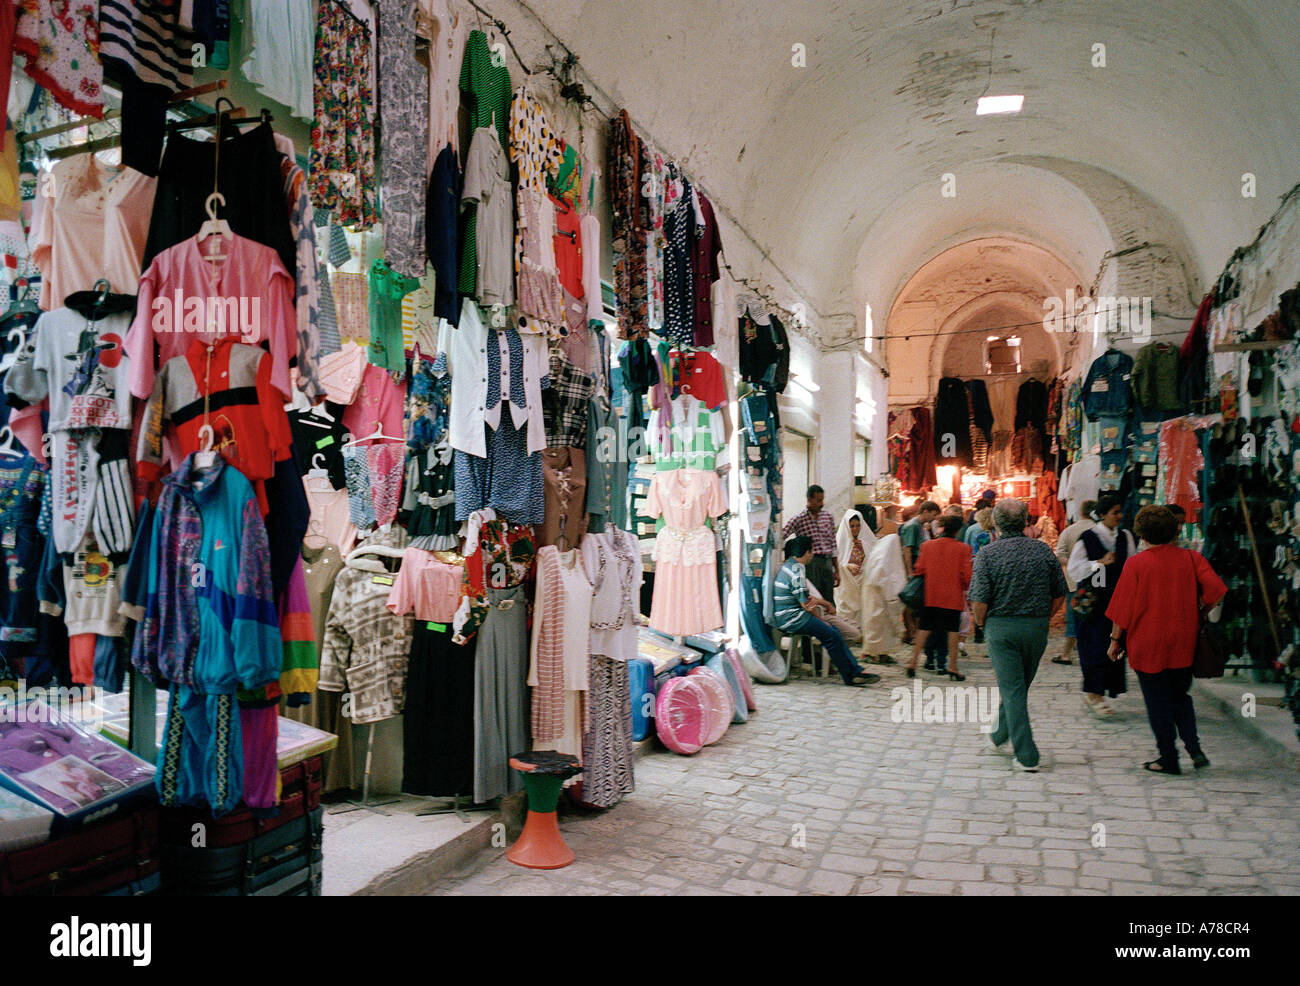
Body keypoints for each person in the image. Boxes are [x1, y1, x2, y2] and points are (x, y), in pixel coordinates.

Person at [1106, 505, 1227, 774]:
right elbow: (1216, 591)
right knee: (1180, 696)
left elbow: (1123, 608)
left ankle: (1168, 757)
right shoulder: (1192, 559)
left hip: (1147, 642)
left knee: (1157, 702)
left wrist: (1115, 641)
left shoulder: (1136, 564)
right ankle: (1194, 748)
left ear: (1143, 534)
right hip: (1184, 640)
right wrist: (1201, 612)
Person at [968, 498, 1070, 772]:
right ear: (1026, 521)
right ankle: (999, 734)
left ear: (997, 524)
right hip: (1035, 627)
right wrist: (1044, 617)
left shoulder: (988, 554)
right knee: (1018, 687)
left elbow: (979, 600)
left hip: (1001, 628)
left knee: (1013, 689)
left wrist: (981, 624)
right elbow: (1060, 591)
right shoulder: (1042, 551)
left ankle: (1027, 755)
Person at [773, 536, 879, 687]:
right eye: (811, 551)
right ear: (807, 552)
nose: (812, 555)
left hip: (790, 616)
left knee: (833, 633)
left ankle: (854, 671)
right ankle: (852, 674)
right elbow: (806, 605)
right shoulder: (797, 570)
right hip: (793, 618)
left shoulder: (789, 566)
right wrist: (822, 621)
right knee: (832, 634)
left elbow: (804, 598)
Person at [1067, 492, 1136, 718]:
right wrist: (1099, 563)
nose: (1119, 516)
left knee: (1114, 648)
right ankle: (1093, 693)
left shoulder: (1126, 537)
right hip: (1094, 604)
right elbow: (1075, 569)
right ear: (1103, 514)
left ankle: (1101, 691)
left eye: (1120, 512)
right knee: (1094, 647)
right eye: (1115, 512)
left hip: (1118, 602)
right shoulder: (1088, 538)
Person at [906, 513, 973, 680]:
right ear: (958, 530)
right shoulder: (963, 549)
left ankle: (912, 662)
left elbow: (919, 569)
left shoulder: (928, 546)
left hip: (931, 594)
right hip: (952, 597)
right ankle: (953, 666)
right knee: (952, 631)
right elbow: (967, 576)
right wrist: (965, 589)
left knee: (924, 629)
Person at [1052, 499, 1097, 666]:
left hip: (1074, 580)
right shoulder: (1102, 531)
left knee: (1073, 617)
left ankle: (1065, 654)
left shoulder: (1069, 531)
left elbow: (1059, 554)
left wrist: (1073, 562)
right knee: (1095, 616)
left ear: (1080, 512)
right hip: (1097, 580)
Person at [783, 485, 839, 606]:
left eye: (822, 500)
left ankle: (832, 623)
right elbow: (782, 535)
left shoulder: (828, 517)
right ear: (809, 499)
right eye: (818, 500)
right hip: (810, 564)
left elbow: (833, 545)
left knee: (829, 598)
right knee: (814, 597)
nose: (821, 503)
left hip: (827, 563)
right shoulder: (799, 519)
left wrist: (837, 570)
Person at [835, 509, 879, 654]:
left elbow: (874, 560)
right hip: (846, 584)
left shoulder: (866, 542)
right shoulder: (840, 542)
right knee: (845, 609)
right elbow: (836, 562)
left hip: (862, 582)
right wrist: (846, 566)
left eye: (857, 526)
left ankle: (861, 635)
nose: (855, 529)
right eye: (852, 526)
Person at [860, 531, 906, 661]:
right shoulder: (886, 555)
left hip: (877, 593)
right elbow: (882, 575)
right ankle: (868, 654)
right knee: (875, 626)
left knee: (883, 628)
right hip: (877, 594)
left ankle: (882, 654)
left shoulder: (881, 553)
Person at [899, 500, 940, 645]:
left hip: (920, 565)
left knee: (915, 601)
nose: (934, 518)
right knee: (912, 600)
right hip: (915, 565)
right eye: (933, 515)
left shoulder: (921, 526)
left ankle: (912, 632)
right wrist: (910, 571)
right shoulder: (913, 526)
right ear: (926, 511)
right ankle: (910, 632)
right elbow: (907, 549)